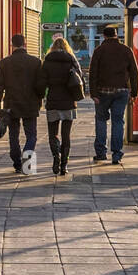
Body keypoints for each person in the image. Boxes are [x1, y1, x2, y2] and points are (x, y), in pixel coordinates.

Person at [88, 24, 138, 165]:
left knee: (101, 120)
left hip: (103, 91)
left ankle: (101, 152)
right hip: (122, 91)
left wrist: (93, 93)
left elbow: (93, 74)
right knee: (118, 121)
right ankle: (116, 154)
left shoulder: (99, 50)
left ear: (104, 36)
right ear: (116, 35)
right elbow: (134, 72)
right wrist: (134, 92)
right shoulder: (126, 50)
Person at [0, 34, 42, 174]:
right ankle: (27, 161)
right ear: (25, 44)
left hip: (11, 104)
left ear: (11, 44)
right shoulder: (35, 62)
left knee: (13, 135)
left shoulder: (4, 63)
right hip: (30, 103)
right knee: (31, 135)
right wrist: (40, 99)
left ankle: (17, 162)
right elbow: (40, 85)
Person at [38, 36, 85, 176]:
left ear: (53, 48)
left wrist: (40, 97)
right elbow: (80, 78)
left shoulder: (47, 62)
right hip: (69, 102)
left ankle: (55, 157)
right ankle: (64, 165)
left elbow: (41, 83)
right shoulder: (71, 60)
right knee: (66, 134)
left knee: (53, 134)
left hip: (52, 101)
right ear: (66, 46)